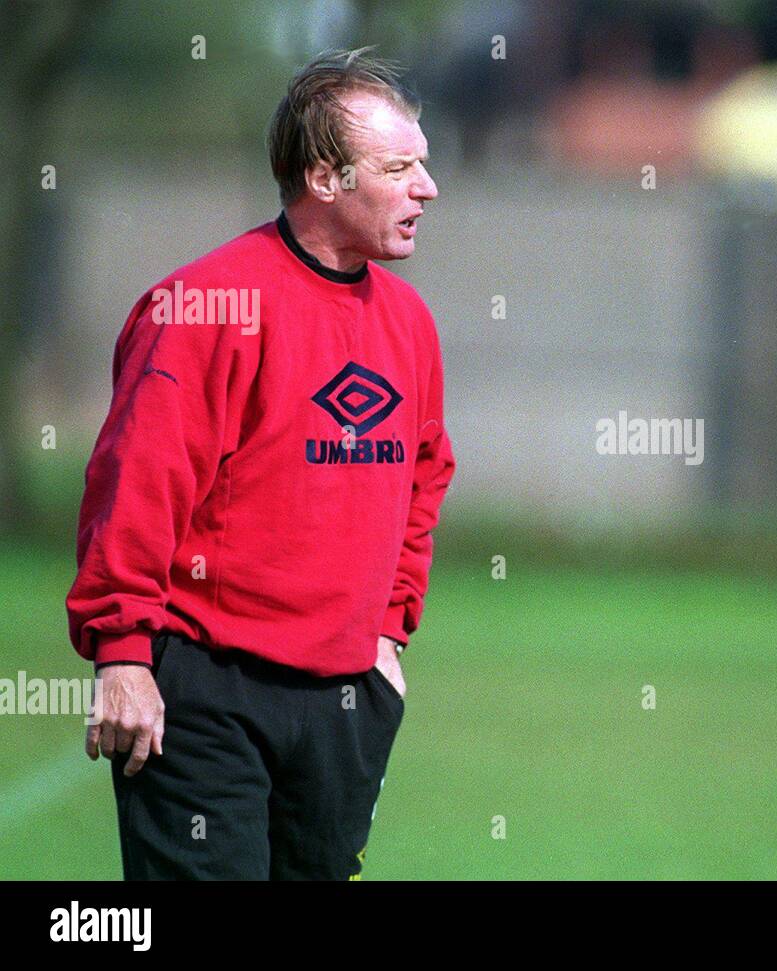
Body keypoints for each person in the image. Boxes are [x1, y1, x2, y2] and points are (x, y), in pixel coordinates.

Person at [65, 48, 454, 880]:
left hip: (347, 697)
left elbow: (424, 477)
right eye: (399, 168)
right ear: (324, 178)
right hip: (206, 692)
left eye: (424, 164)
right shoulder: (203, 307)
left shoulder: (410, 323)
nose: (427, 188)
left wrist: (390, 631)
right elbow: (136, 482)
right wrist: (124, 652)